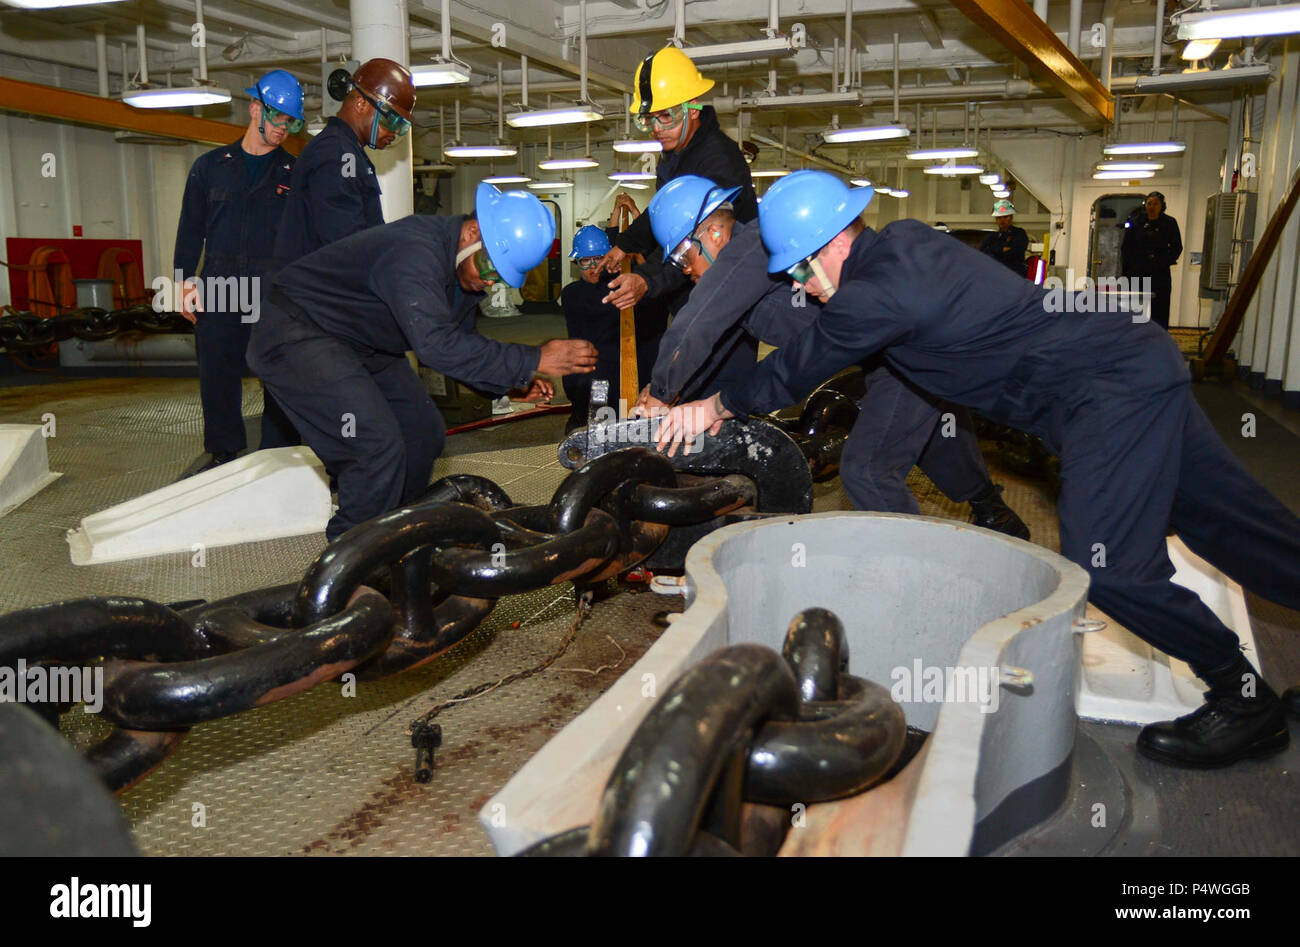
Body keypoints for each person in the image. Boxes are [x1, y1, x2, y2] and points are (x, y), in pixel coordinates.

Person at [656, 170, 1300, 768]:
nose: (799, 286)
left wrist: (712, 406)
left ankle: (1242, 697)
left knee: (1106, 565)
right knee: (1226, 523)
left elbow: (795, 368)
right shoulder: (903, 242)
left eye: (799, 270)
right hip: (1133, 361)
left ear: (831, 246)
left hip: (1106, 396)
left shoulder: (872, 296)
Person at [637, 174, 1029, 538]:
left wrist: (661, 392)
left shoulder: (752, 245)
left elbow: (701, 319)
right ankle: (993, 511)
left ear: (715, 232)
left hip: (895, 355)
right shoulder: (749, 266)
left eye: (683, 257)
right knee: (931, 429)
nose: (685, 270)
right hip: (890, 357)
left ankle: (912, 577)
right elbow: (718, 341)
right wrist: (696, 403)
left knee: (869, 470)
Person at [247, 183, 597, 540]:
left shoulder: (463, 272)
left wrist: (510, 381)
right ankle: (348, 569)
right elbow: (435, 345)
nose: (488, 283)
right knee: (372, 446)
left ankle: (394, 535)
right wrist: (534, 356)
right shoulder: (414, 252)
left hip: (362, 340)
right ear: (473, 232)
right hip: (297, 332)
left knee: (423, 434)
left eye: (499, 278)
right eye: (490, 268)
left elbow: (460, 340)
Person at [174, 69, 304, 471]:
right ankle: (223, 450)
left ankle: (278, 452)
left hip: (272, 287)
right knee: (216, 370)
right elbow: (190, 229)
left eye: (290, 121)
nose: (283, 128)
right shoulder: (210, 166)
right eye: (277, 118)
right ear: (254, 109)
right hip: (219, 283)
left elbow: (305, 237)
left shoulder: (295, 173)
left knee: (279, 370)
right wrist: (182, 282)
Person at [598, 44, 757, 318]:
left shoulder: (718, 162)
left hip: (725, 298)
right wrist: (625, 244)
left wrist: (647, 279)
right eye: (649, 120)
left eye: (666, 116)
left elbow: (696, 238)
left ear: (693, 110)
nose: (657, 129)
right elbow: (663, 212)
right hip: (691, 291)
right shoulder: (676, 153)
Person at [272, 58, 416, 267]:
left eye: (400, 126)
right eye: (390, 121)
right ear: (360, 104)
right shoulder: (336, 152)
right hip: (316, 292)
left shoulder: (347, 151)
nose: (394, 132)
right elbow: (345, 242)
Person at [559, 225, 665, 432]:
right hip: (593, 379)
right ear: (576, 264)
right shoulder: (572, 294)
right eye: (585, 261)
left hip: (624, 377)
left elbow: (655, 304)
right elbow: (603, 300)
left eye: (598, 259)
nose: (593, 267)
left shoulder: (622, 288)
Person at [1121, 191, 1182, 330]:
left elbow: (1177, 247)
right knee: (1137, 310)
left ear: (1162, 206)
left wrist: (1162, 260)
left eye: (1155, 203)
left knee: (1159, 310)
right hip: (1137, 273)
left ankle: (1158, 338)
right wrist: (1127, 271)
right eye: (1149, 203)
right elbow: (1126, 248)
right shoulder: (1136, 222)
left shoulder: (1170, 223)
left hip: (1159, 274)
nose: (1152, 206)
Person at [979, 198, 1029, 275]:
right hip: (996, 274)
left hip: (1015, 274)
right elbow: (983, 253)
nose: (1002, 220)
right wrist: (1002, 249)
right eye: (999, 218)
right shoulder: (992, 237)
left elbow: (1016, 252)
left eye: (1005, 217)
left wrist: (996, 251)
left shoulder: (1019, 234)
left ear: (1011, 217)